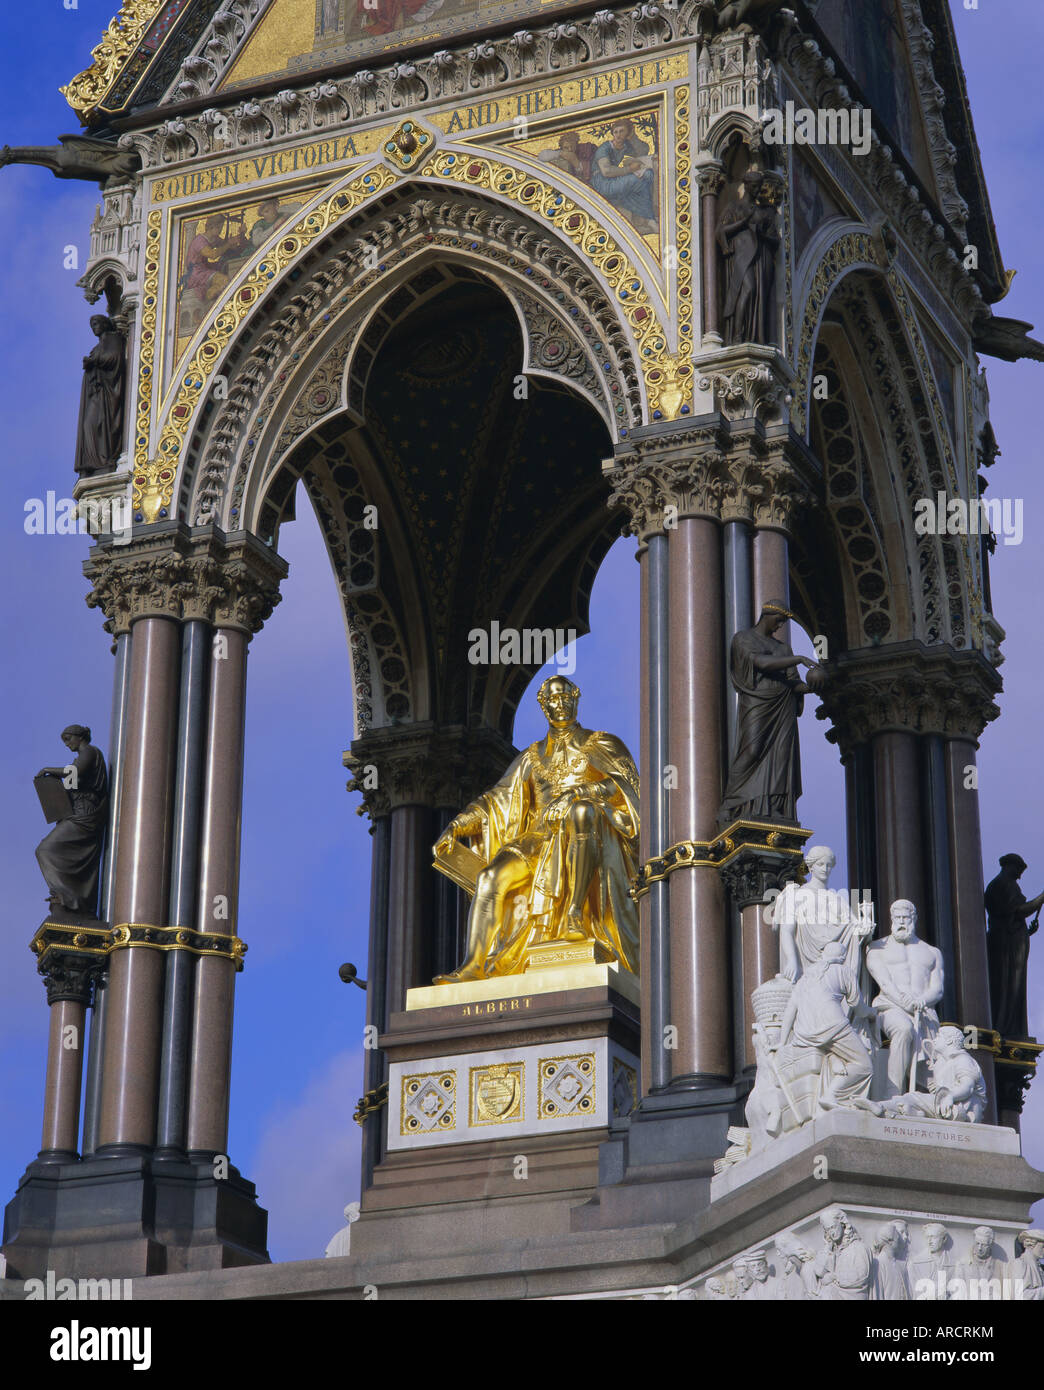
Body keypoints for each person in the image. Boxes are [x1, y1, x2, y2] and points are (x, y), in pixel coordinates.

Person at [432, 675, 640, 981]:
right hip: (539, 838)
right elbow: (497, 799)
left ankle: (575, 916)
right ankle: (473, 965)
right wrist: (458, 825)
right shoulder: (531, 757)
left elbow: (626, 787)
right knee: (491, 877)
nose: (560, 705)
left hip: (587, 831)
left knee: (581, 814)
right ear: (543, 706)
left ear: (576, 698)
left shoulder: (602, 743)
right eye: (553, 700)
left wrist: (579, 794)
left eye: (565, 697)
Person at [718, 601, 823, 827]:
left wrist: (813, 686)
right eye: (779, 620)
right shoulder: (743, 639)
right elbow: (761, 663)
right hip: (758, 703)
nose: (780, 626)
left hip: (783, 706)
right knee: (752, 750)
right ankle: (731, 803)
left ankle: (773, 806)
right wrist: (800, 659)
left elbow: (795, 684)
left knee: (781, 759)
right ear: (768, 614)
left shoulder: (783, 648)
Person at [774, 941, 873, 1110]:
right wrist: (874, 1013)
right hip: (834, 1027)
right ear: (842, 957)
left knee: (833, 1048)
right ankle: (831, 1094)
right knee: (864, 1065)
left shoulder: (805, 977)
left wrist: (782, 1042)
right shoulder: (844, 971)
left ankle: (833, 1057)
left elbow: (790, 1010)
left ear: (823, 955)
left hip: (804, 1033)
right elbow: (860, 1009)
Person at [865, 900, 944, 1096]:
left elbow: (938, 989)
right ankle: (892, 1093)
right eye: (897, 918)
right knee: (904, 1029)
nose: (901, 922)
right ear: (891, 919)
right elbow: (884, 983)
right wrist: (904, 1003)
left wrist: (922, 1001)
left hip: (923, 1010)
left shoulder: (932, 952)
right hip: (889, 1006)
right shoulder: (876, 948)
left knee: (941, 1049)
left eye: (906, 918)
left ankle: (927, 1096)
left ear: (914, 919)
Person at [34, 726, 108, 918]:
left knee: (46, 849)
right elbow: (72, 782)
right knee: (46, 850)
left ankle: (67, 897)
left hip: (85, 814)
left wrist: (50, 770)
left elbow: (74, 772)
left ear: (80, 736)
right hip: (75, 813)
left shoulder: (90, 752)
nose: (67, 744)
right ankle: (66, 897)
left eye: (68, 739)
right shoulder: (81, 757)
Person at [771, 844, 873, 982]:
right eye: (820, 864)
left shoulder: (837, 899)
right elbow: (787, 931)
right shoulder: (795, 894)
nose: (825, 869)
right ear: (811, 866)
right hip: (805, 963)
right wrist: (792, 960)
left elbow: (854, 929)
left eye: (829, 865)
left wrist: (866, 923)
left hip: (836, 963)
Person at [716, 168, 779, 345]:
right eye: (753, 186)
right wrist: (743, 223)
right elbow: (720, 232)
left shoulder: (764, 212)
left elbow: (775, 240)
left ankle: (752, 337)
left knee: (756, 295)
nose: (757, 189)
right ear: (746, 185)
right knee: (748, 289)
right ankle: (737, 336)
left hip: (760, 259)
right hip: (741, 256)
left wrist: (762, 235)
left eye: (759, 186)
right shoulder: (734, 208)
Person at [984, 854, 1043, 1039]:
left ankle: (1011, 1028)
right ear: (1009, 866)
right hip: (1007, 947)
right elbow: (1019, 911)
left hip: (1011, 942)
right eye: (1019, 870)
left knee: (1013, 987)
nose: (1020, 875)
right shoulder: (1002, 884)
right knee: (1011, 986)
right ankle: (1006, 1028)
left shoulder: (1006, 884)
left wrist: (1026, 932)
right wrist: (1042, 898)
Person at [74, 315, 124, 478]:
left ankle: (103, 459)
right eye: (91, 325)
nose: (94, 327)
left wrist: (95, 362)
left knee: (95, 424)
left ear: (104, 324)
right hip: (96, 394)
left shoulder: (113, 339)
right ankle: (93, 461)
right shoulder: (98, 346)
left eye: (96, 324)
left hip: (107, 394)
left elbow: (115, 358)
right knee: (88, 424)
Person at [591, 119, 658, 234]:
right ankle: (649, 220)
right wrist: (629, 169)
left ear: (628, 133)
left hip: (616, 179)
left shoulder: (626, 146)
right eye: (615, 132)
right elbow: (606, 171)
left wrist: (633, 137)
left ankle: (647, 219)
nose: (618, 135)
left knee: (648, 175)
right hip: (603, 183)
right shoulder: (605, 147)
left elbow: (644, 150)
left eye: (622, 131)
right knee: (638, 181)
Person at [812, 1207, 872, 1300]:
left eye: (833, 1227)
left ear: (843, 1224)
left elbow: (861, 1276)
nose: (832, 1233)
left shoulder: (858, 1247)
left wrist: (833, 1277)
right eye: (828, 1230)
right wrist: (827, 1248)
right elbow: (819, 1272)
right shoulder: (831, 1252)